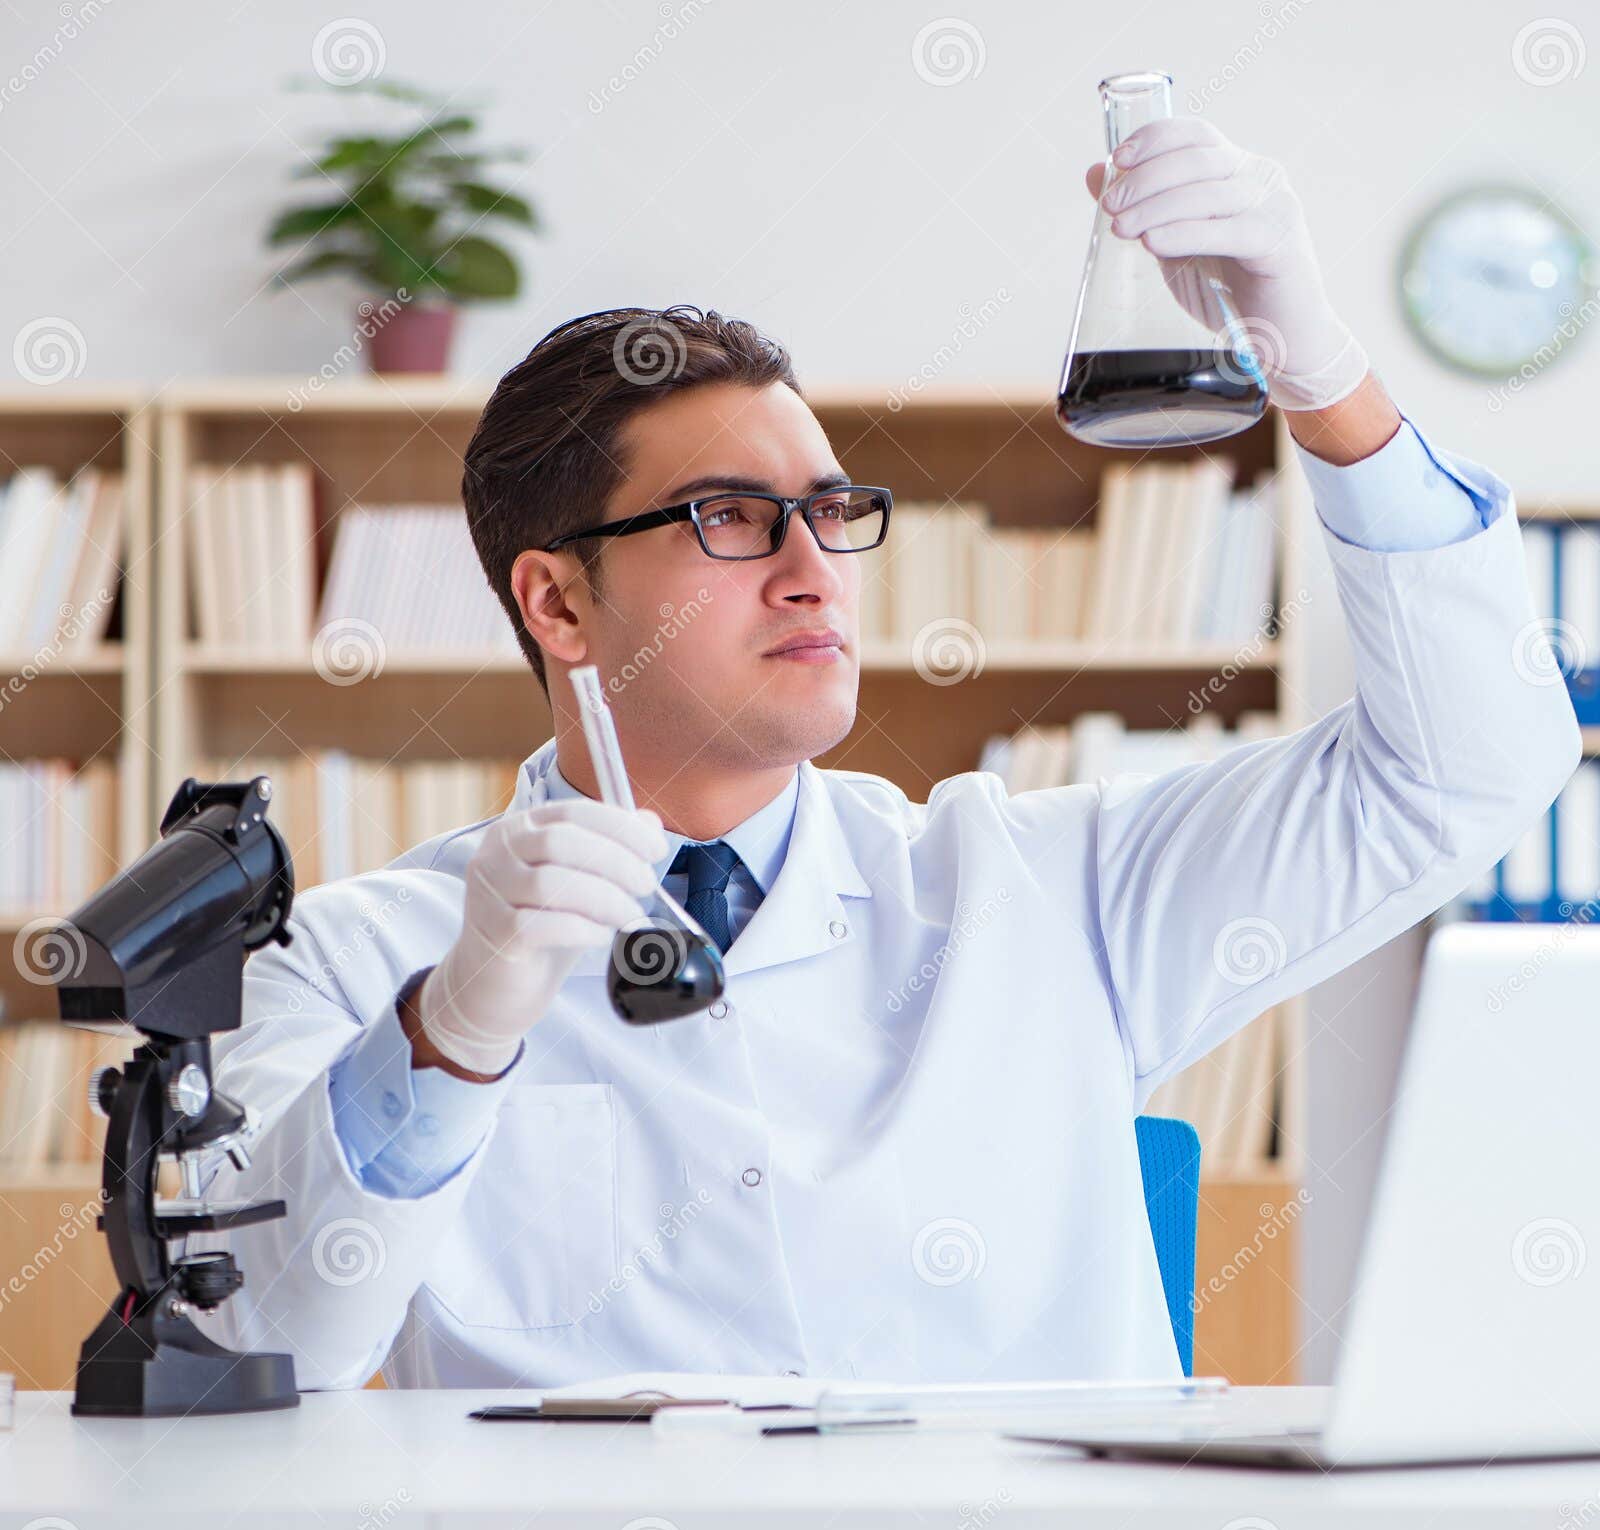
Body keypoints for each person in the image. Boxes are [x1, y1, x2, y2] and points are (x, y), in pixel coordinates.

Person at [192, 118, 1579, 1390]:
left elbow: (1468, 766)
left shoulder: (1054, 888)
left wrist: (1325, 379)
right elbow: (262, 1350)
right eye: (732, 519)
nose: (815, 572)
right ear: (558, 601)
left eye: (832, 510)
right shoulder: (356, 961)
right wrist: (453, 1041)